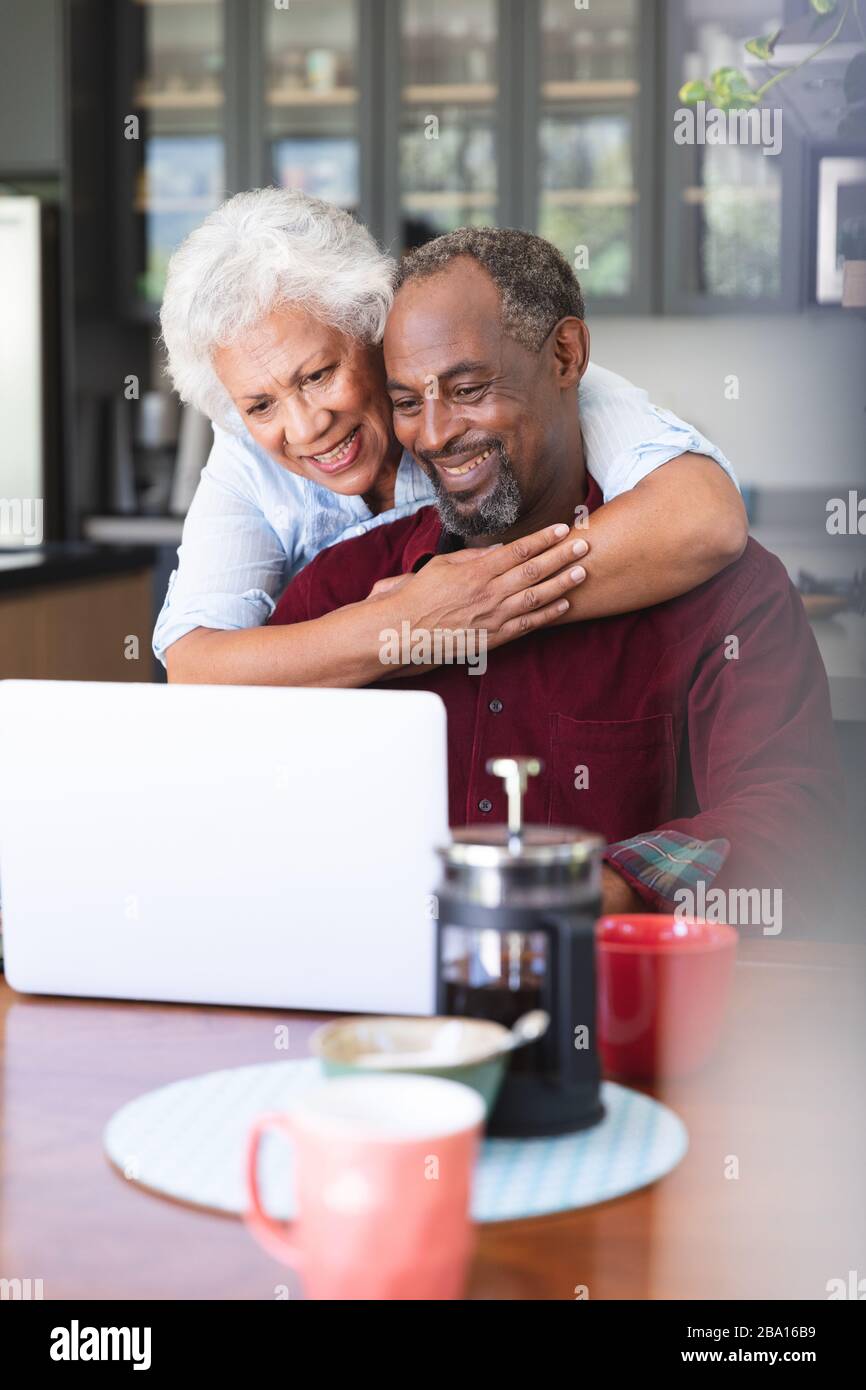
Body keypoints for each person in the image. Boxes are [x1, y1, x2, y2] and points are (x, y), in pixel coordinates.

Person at [268, 228, 843, 931]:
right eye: (409, 403)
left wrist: (590, 898)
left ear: (566, 356)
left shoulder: (727, 596)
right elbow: (244, 795)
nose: (436, 433)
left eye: (469, 388)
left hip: (621, 1011)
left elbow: (791, 818)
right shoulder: (342, 589)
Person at [155, 189, 747, 685]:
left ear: (375, 328)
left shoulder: (529, 388)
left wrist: (490, 609)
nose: (306, 426)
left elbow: (701, 519)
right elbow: (195, 665)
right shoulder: (243, 457)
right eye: (260, 405)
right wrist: (408, 628)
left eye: (318, 375)